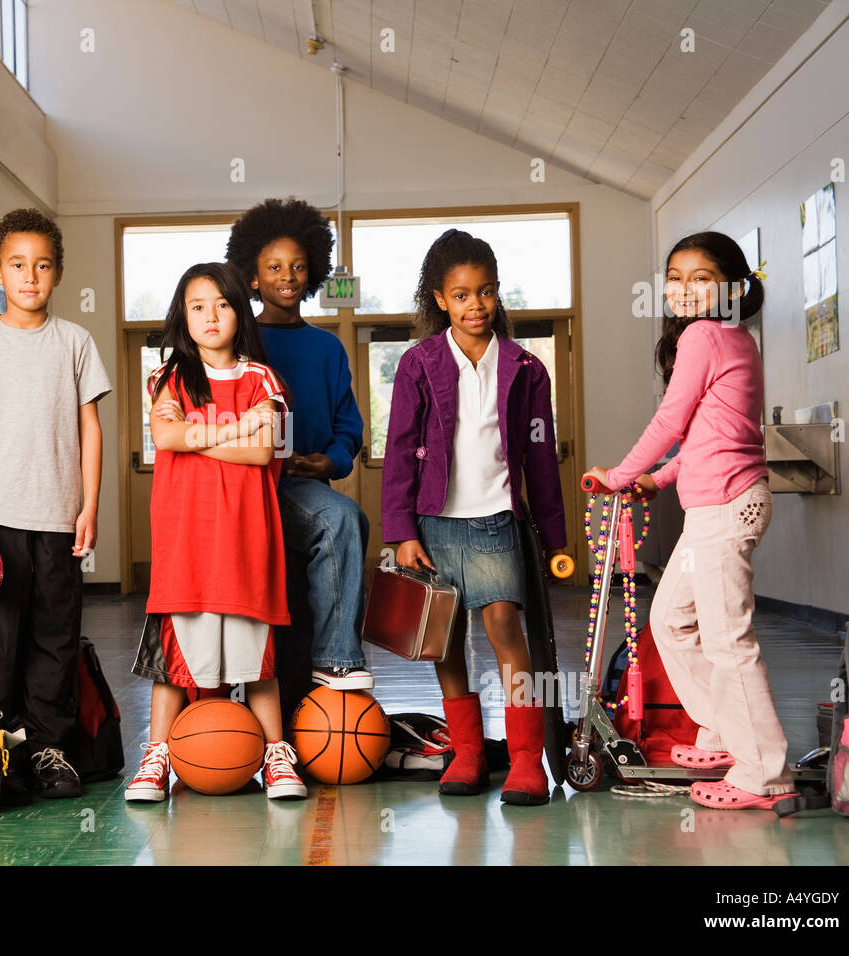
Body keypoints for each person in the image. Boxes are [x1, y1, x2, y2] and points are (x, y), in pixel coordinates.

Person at [584, 231, 795, 810]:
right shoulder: (735, 337)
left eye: (700, 278)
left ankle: (763, 772)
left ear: (730, 287)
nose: (683, 289)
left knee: (729, 640)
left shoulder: (705, 335)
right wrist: (660, 478)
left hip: (725, 508)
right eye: (675, 278)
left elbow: (672, 420)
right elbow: (711, 435)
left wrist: (624, 474)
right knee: (673, 623)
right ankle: (725, 730)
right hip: (717, 503)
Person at [382, 229, 566, 806]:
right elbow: (398, 447)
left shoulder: (527, 368)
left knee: (505, 628)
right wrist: (401, 532)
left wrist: (556, 539)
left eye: (485, 292)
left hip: (498, 524)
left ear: (497, 293)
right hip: (435, 525)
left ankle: (525, 763)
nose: (476, 305)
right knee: (445, 642)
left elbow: (541, 458)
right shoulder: (417, 364)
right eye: (461, 295)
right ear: (440, 299)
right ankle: (465, 754)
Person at [0, 208, 110, 799]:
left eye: (41, 265)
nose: (29, 276)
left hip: (58, 519)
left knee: (54, 637)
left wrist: (89, 505)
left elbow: (91, 429)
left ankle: (49, 750)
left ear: (58, 273)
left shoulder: (75, 343)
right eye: (17, 265)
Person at [125, 262, 305, 803]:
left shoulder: (262, 379)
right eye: (197, 305)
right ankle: (156, 757)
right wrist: (234, 425)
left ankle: (276, 754)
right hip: (186, 541)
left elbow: (260, 450)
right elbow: (167, 435)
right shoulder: (170, 376)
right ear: (183, 314)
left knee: (259, 660)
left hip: (248, 540)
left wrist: (199, 432)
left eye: (222, 304)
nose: (210, 315)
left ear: (240, 311)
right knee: (174, 663)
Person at [226, 197, 372, 692]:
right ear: (252, 276)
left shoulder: (327, 347)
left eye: (298, 266)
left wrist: (325, 460)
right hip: (246, 483)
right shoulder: (236, 345)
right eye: (273, 267)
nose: (286, 276)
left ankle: (336, 661)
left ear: (312, 275)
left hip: (300, 485)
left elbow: (349, 430)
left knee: (344, 517)